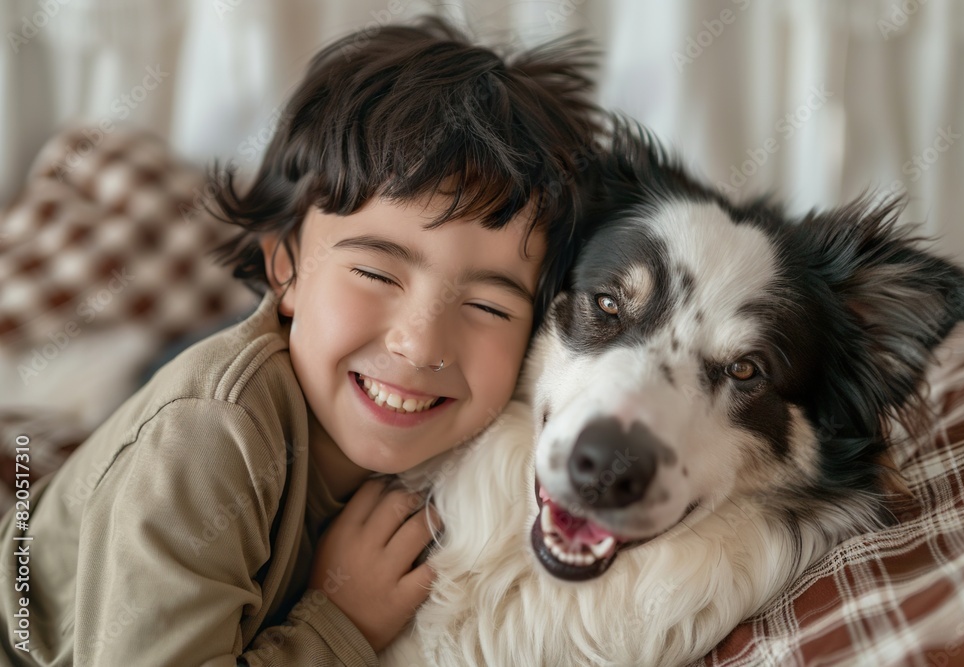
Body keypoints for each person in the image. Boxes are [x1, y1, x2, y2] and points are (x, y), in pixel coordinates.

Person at [0, 16, 600, 666]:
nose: (422, 343)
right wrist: (338, 624)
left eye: (487, 304)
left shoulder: (492, 444)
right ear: (285, 267)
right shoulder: (211, 436)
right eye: (375, 272)